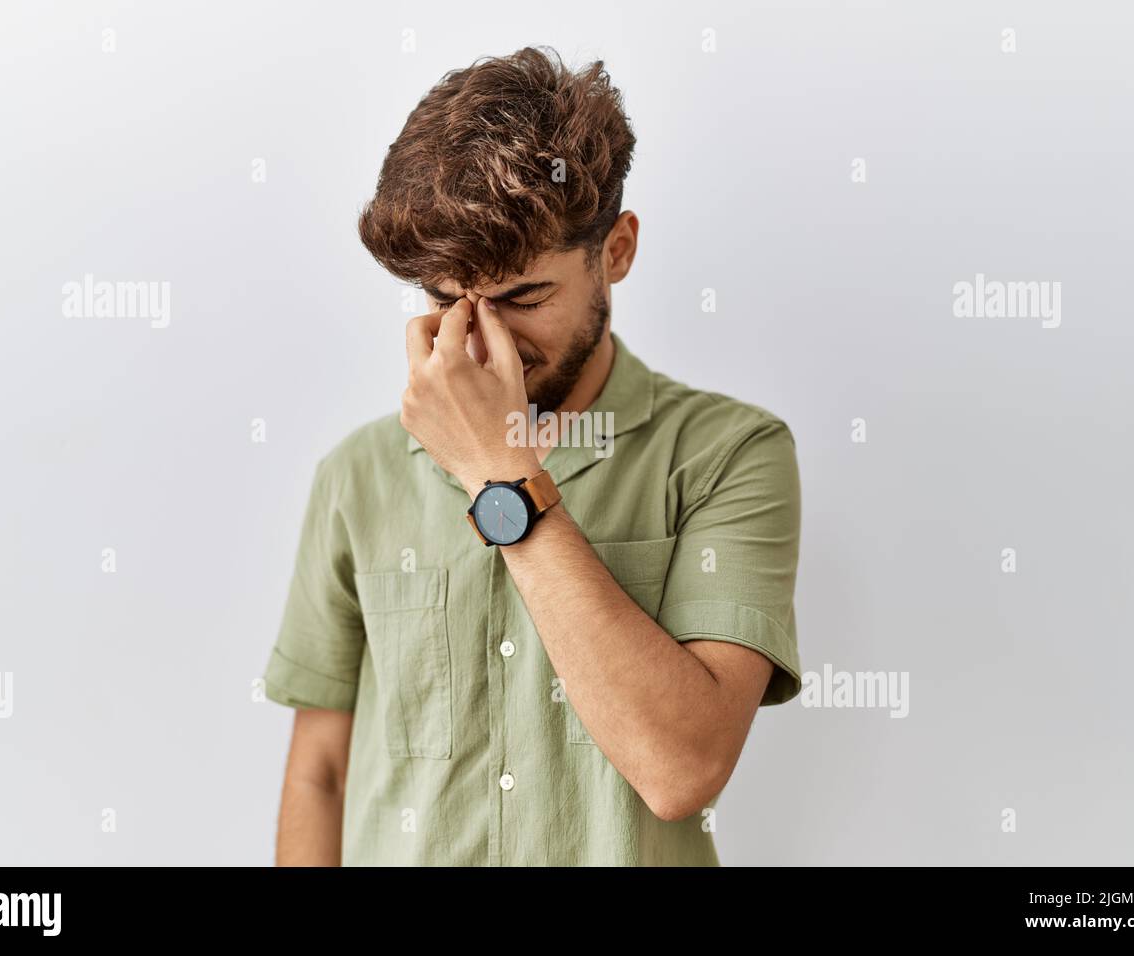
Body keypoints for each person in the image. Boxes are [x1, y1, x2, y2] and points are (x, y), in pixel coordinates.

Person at [261, 45, 802, 866]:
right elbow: (321, 775)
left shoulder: (731, 456)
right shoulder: (356, 475)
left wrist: (499, 475)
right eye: (447, 301)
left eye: (524, 298)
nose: (483, 345)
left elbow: (682, 768)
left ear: (615, 251)